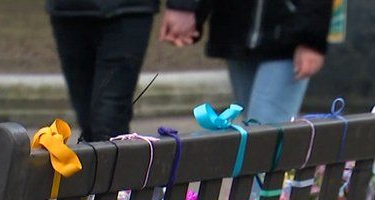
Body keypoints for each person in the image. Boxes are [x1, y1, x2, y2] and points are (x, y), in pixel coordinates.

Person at [45, 0, 201, 142]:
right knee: (86, 118)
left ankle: (113, 169)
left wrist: (182, 5)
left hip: (127, 11)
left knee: (107, 119)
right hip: (66, 11)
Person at [160, 0, 334, 124]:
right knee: (252, 126)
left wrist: (311, 37)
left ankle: (287, 174)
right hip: (236, 27)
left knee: (267, 126)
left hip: (288, 33)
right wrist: (186, 7)